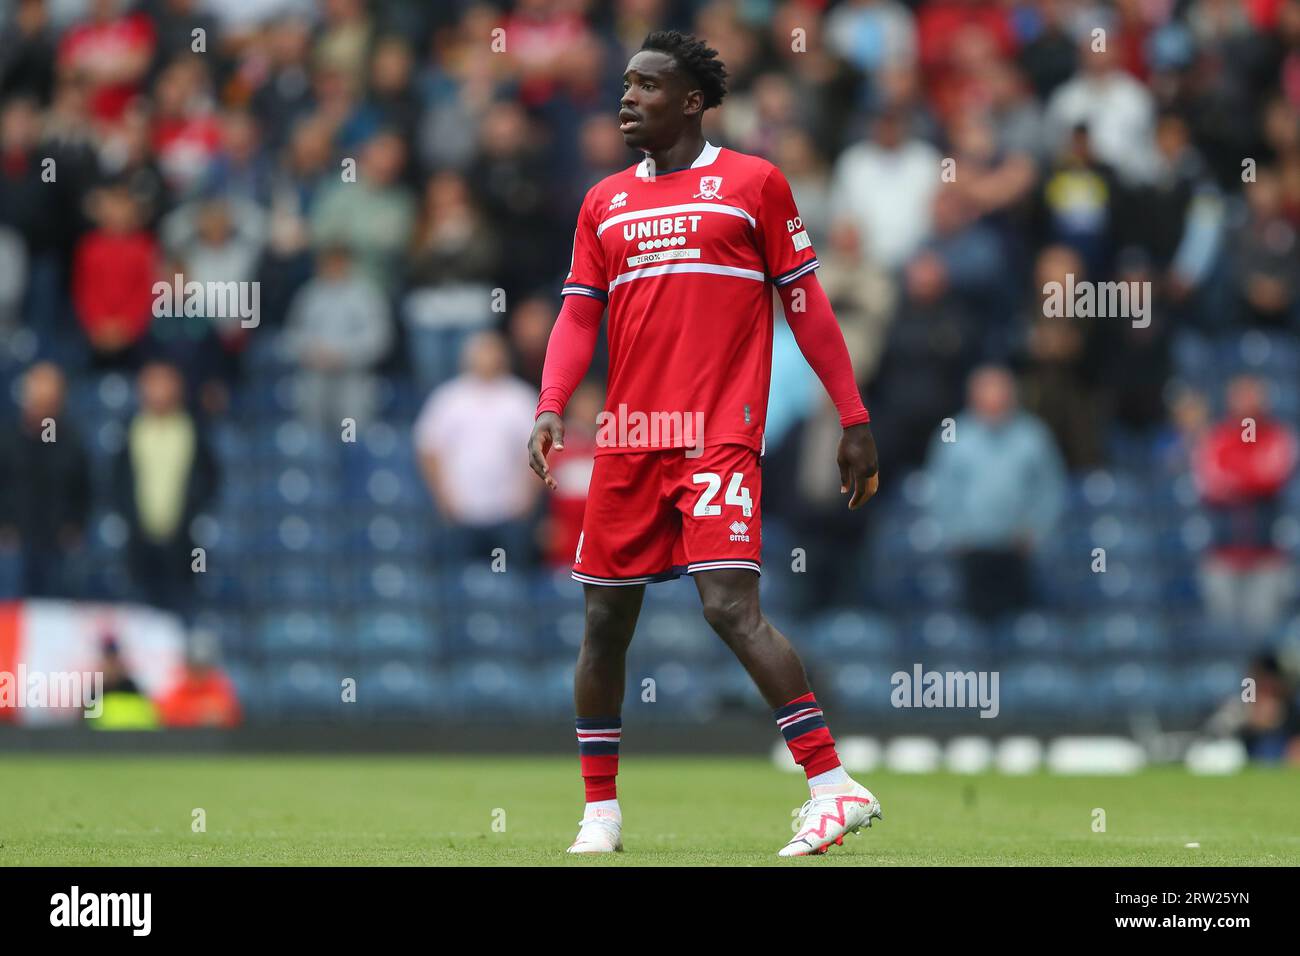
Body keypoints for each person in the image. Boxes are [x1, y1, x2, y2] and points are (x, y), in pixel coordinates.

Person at [525, 31, 882, 858]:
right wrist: (550, 405)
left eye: (646, 85)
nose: (627, 97)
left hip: (716, 435)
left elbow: (809, 306)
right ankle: (601, 816)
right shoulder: (603, 201)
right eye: (623, 84)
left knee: (728, 606)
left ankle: (832, 786)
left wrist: (853, 417)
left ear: (691, 100)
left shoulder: (753, 184)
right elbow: (580, 313)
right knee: (604, 623)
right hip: (628, 438)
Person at [924, 365, 1067, 620]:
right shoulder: (952, 435)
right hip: (970, 551)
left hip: (1019, 551)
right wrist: (954, 531)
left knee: (1021, 625)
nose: (994, 400)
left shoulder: (1033, 435)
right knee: (970, 625)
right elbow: (940, 489)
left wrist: (1037, 530)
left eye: (1000, 392)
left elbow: (1050, 488)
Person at [0, 362, 90, 596]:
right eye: (36, 398)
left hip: (57, 543)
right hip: (14, 542)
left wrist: (74, 527)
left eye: (48, 401)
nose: (41, 407)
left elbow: (82, 488)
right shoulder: (8, 437)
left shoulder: (70, 440)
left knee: (56, 611)